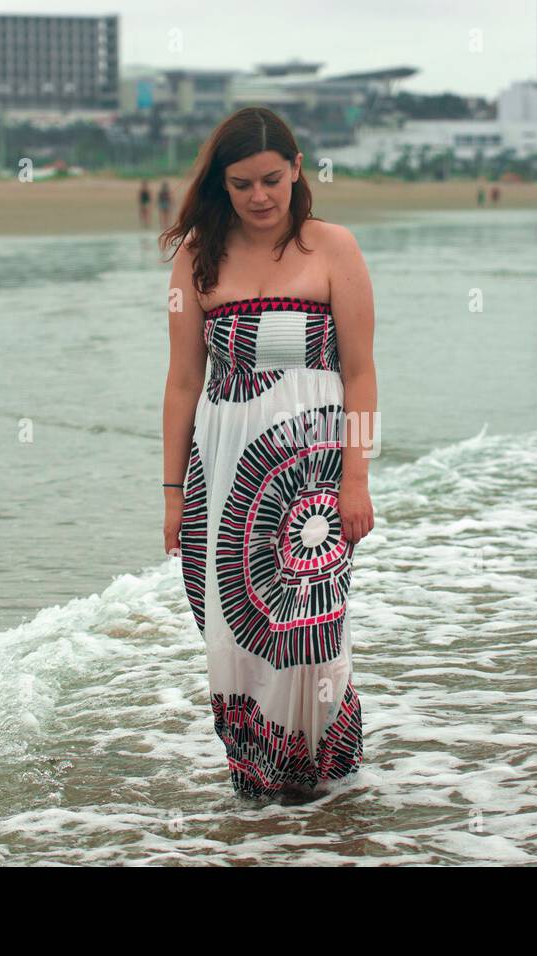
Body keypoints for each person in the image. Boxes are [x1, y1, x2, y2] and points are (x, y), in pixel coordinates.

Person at [158, 106, 376, 802]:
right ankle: (259, 792)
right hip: (221, 479)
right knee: (234, 633)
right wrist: (171, 493)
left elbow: (363, 374)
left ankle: (324, 787)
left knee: (313, 635)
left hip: (313, 481)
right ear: (221, 184)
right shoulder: (196, 257)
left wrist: (357, 479)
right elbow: (184, 380)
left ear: (297, 171)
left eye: (272, 180)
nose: (259, 197)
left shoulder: (333, 248)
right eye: (242, 183)